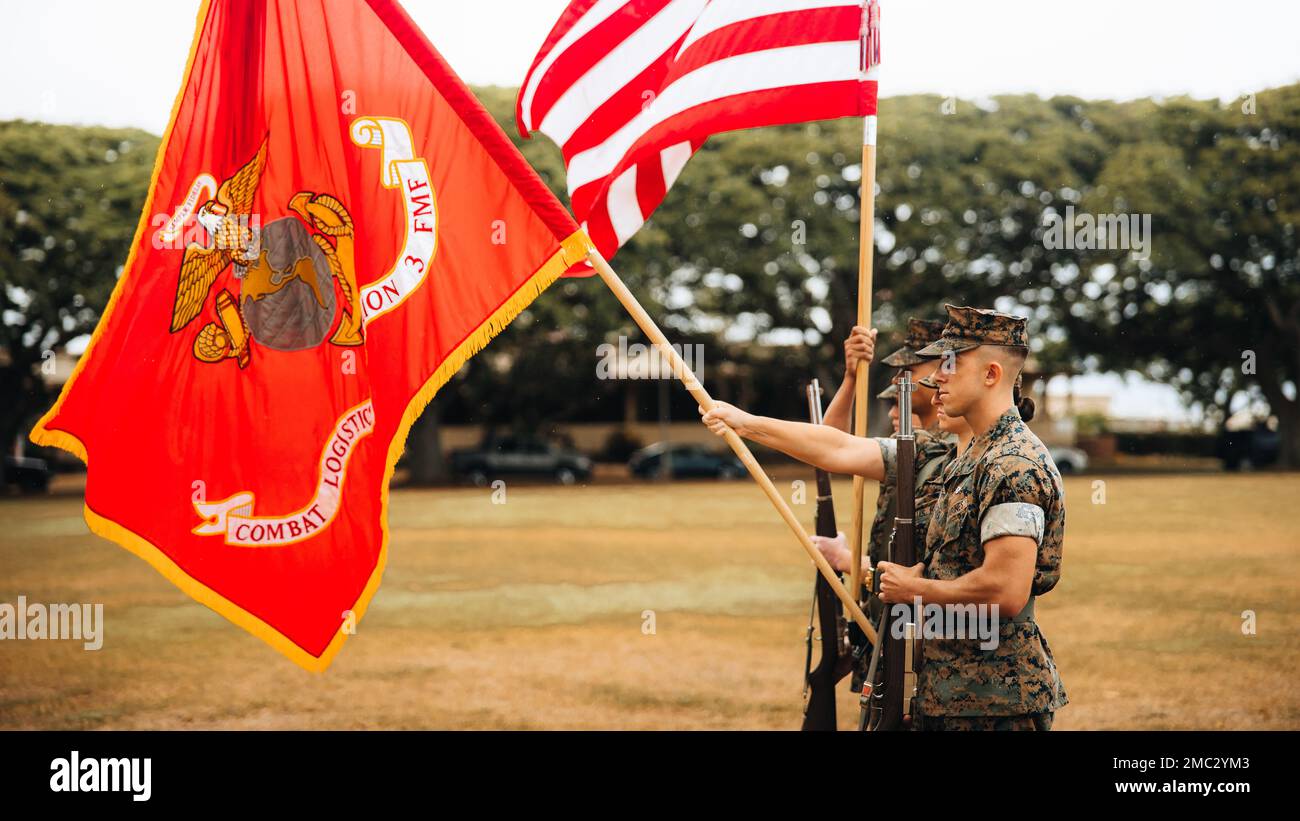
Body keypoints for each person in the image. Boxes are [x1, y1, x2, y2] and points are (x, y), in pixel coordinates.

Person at [875, 304, 1067, 731]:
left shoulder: (1013, 464)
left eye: (950, 363)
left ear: (991, 374)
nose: (936, 376)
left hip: (995, 704)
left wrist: (914, 590)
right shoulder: (972, 457)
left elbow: (1004, 591)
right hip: (951, 694)